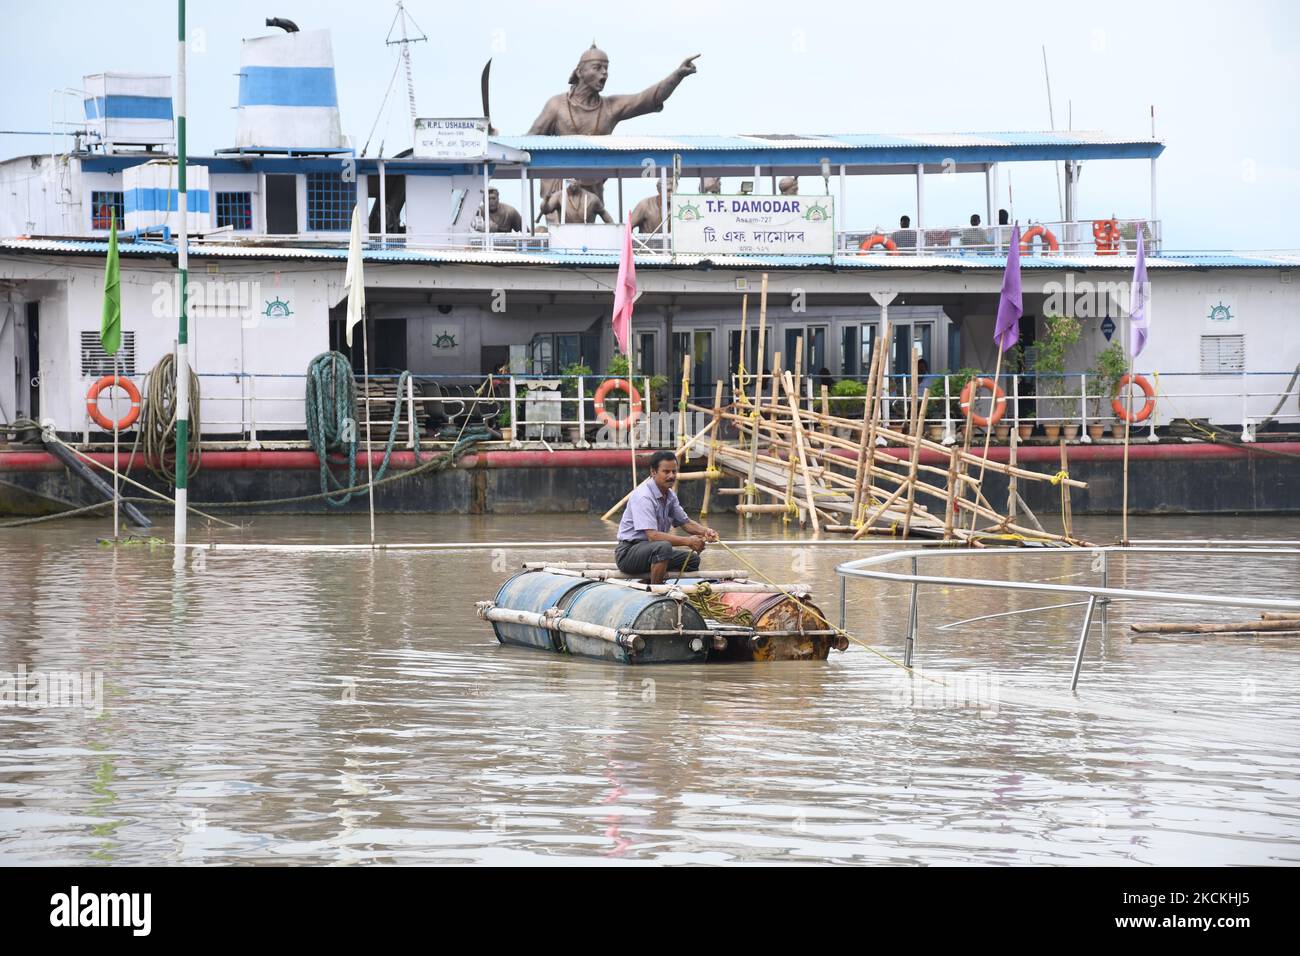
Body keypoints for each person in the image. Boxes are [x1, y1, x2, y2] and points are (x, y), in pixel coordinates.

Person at [528, 44, 700, 221]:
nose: (604, 73)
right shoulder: (557, 106)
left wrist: (678, 75)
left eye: (606, 68)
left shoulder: (610, 107)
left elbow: (648, 98)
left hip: (592, 188)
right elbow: (529, 142)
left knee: (588, 239)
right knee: (559, 236)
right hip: (560, 187)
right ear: (580, 72)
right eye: (597, 68)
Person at [616, 451, 719, 584]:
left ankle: (645, 583)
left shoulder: (670, 495)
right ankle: (656, 591)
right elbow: (652, 536)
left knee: (692, 560)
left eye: (674, 472)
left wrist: (706, 532)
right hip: (628, 553)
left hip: (652, 550)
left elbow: (686, 523)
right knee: (663, 548)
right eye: (666, 472)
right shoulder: (644, 496)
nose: (671, 476)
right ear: (653, 472)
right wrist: (688, 541)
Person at [538, 181, 614, 224]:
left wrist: (614, 229)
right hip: (565, 236)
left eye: (575, 179)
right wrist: (545, 200)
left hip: (588, 236)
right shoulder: (559, 196)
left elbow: (603, 213)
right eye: (569, 180)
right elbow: (546, 210)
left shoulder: (592, 198)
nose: (572, 182)